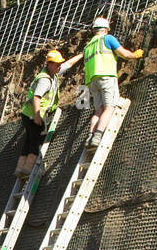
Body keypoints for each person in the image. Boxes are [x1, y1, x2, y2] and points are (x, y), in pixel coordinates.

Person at [14, 48, 83, 183]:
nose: (59, 66)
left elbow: (67, 64)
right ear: (49, 64)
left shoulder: (52, 73)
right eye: (56, 64)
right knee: (36, 141)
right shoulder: (45, 80)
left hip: (28, 113)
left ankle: (19, 168)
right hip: (33, 114)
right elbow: (36, 97)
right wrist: (37, 115)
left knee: (29, 140)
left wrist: (81, 54)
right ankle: (27, 170)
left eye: (59, 64)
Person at [83, 18, 143, 148]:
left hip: (92, 81)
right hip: (106, 76)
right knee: (110, 107)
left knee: (98, 110)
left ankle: (89, 137)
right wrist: (135, 55)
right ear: (105, 29)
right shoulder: (107, 38)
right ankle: (98, 136)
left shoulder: (87, 46)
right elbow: (124, 54)